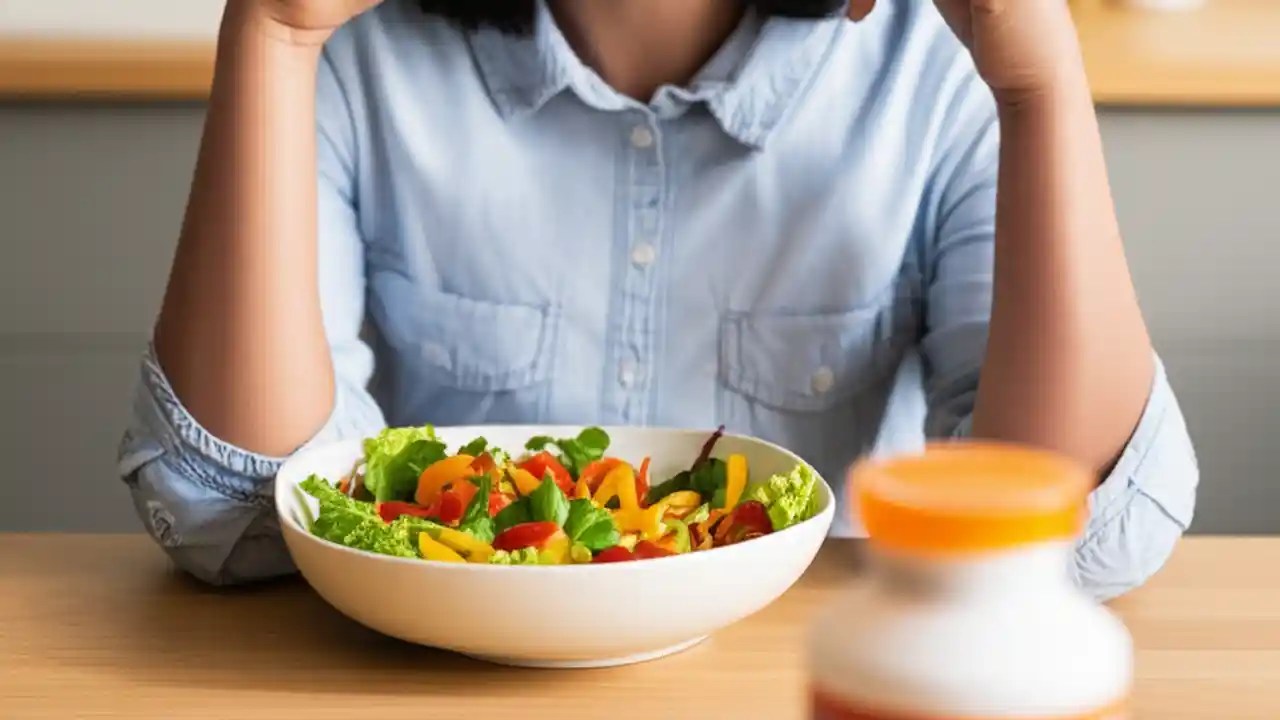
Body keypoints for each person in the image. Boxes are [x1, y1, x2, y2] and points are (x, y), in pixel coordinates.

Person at [118, 0, 1198, 597]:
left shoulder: (936, 65)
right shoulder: (357, 50)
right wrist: (269, 32)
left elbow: (1076, 539)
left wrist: (1037, 87)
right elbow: (237, 522)